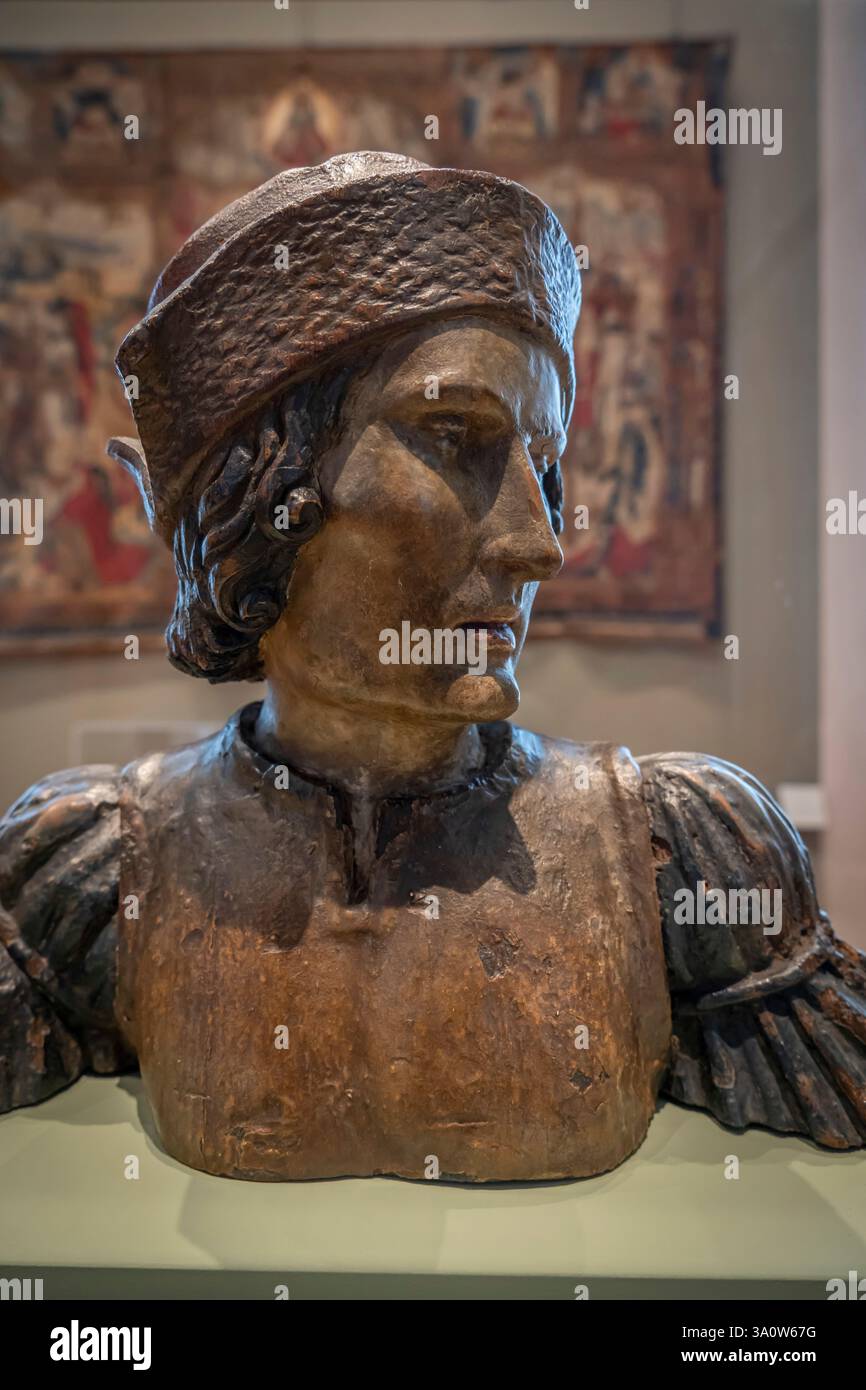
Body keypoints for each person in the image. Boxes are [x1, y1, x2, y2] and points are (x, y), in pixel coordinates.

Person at [1, 153, 863, 1181]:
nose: (537, 542)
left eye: (542, 467)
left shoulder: (680, 855)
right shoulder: (91, 873)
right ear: (256, 496)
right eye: (452, 438)